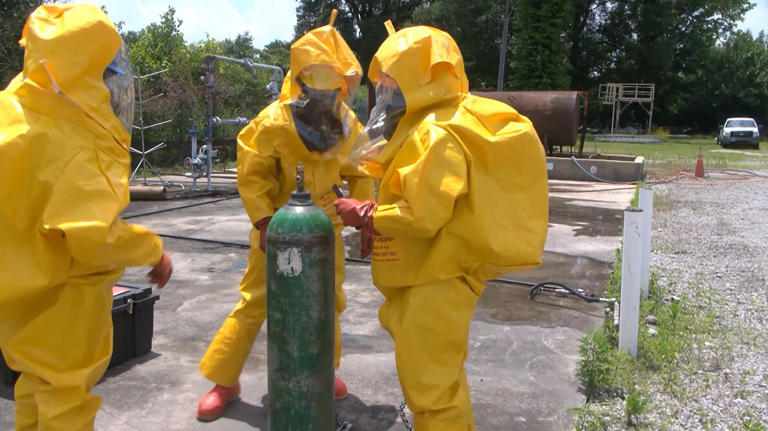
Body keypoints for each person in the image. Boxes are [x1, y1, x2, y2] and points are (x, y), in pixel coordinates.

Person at [334, 22, 549, 431]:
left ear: (419, 78)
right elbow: (417, 199)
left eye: (391, 83)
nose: (385, 94)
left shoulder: (436, 133)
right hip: (429, 275)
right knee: (439, 383)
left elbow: (422, 215)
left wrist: (364, 214)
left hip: (438, 279)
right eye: (383, 85)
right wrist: (377, 223)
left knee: (432, 391)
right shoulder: (431, 125)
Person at [0, 4, 173, 430]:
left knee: (32, 391)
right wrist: (152, 249)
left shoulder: (17, 119)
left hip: (19, 307)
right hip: (64, 307)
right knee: (65, 405)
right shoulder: (77, 142)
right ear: (87, 74)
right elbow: (92, 237)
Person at [195, 10, 372, 421]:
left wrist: (364, 214)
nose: (326, 104)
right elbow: (252, 173)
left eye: (333, 94)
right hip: (275, 231)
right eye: (317, 94)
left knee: (329, 301)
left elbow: (361, 172)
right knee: (254, 302)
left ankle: (322, 372)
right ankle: (225, 380)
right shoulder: (272, 123)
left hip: (325, 233)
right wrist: (262, 221)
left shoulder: (348, 125)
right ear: (300, 84)